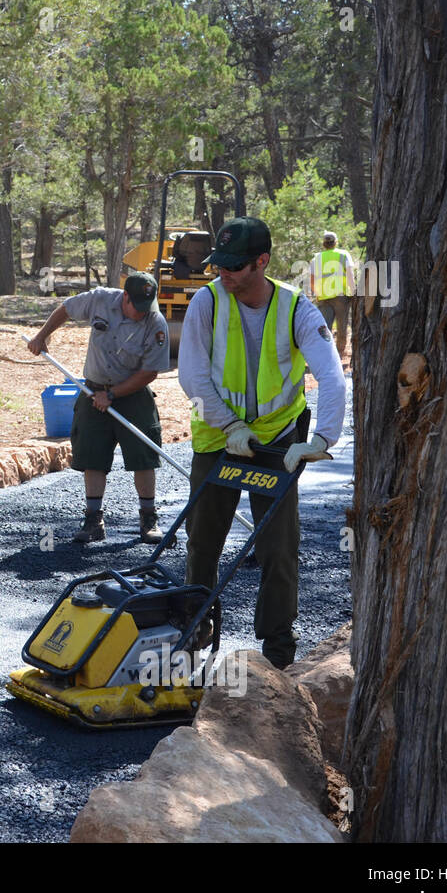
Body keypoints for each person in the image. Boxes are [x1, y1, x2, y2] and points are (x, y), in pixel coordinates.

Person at [178, 216, 346, 669]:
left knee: (279, 550)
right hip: (218, 439)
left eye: (234, 266)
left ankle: (277, 653)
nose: (223, 273)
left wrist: (322, 439)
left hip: (276, 444)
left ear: (262, 262)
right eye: (220, 265)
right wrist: (231, 426)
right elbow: (191, 375)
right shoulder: (206, 303)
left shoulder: (297, 309)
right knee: (202, 542)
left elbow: (332, 377)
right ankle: (197, 629)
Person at [27, 271, 171, 544]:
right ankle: (93, 521)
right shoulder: (100, 300)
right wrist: (42, 335)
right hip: (92, 390)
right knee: (92, 455)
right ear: (125, 296)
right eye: (136, 307)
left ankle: (148, 518)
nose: (141, 313)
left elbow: (150, 371)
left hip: (133, 394)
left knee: (144, 456)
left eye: (146, 308)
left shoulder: (156, 323)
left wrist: (113, 394)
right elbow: (67, 308)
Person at [308, 231, 356, 362]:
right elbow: (350, 275)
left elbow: (311, 280)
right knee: (342, 327)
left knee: (325, 329)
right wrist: (353, 292)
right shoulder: (343, 255)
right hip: (341, 297)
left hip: (323, 297)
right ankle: (339, 356)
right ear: (336, 242)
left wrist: (317, 293)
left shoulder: (316, 258)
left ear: (323, 244)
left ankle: (326, 357)